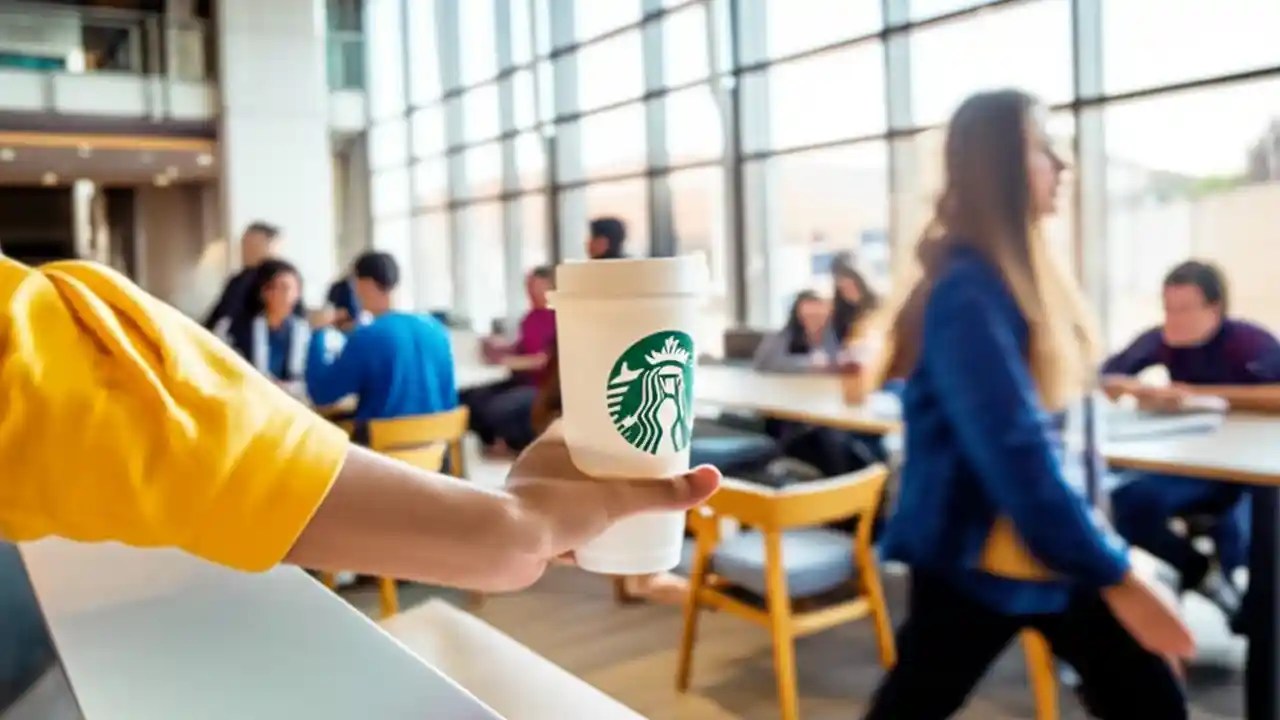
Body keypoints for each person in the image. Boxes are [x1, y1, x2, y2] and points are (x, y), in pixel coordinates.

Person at [0, 249, 720, 603]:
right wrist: (496, 524)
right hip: (432, 458)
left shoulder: (362, 335)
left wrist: (503, 527)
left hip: (371, 454)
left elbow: (56, 387)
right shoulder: (433, 330)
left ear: (364, 288)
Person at [865, 90, 1191, 720]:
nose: (1062, 165)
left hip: (1039, 544)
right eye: (1042, 148)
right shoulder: (968, 291)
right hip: (981, 554)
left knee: (1147, 696)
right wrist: (1118, 573)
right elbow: (1016, 451)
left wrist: (1106, 555)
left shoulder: (1015, 278)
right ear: (1001, 166)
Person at [1102, 260, 1280, 615]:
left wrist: (1197, 394)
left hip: (1246, 467)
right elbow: (1107, 377)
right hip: (1187, 461)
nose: (1174, 319)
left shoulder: (1249, 342)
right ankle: (1203, 576)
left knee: (1255, 525)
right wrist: (1139, 389)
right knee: (1123, 501)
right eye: (1168, 309)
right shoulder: (1161, 340)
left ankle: (1253, 614)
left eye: (1184, 309)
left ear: (1215, 308)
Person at [306, 252, 457, 437]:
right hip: (433, 453)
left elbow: (321, 395)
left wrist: (318, 332)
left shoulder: (368, 335)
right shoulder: (437, 329)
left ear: (364, 284)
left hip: (382, 455)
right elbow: (449, 400)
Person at [754, 291, 868, 476]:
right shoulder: (785, 336)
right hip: (790, 405)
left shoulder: (837, 335)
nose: (814, 315)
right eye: (808, 310)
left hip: (830, 405)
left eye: (819, 309)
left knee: (844, 440)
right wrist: (807, 365)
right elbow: (763, 363)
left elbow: (849, 361)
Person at [466, 266, 557, 455]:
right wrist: (500, 348)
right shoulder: (529, 318)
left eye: (536, 286)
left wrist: (508, 362)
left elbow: (542, 360)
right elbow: (523, 347)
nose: (531, 291)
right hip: (519, 379)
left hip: (541, 387)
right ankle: (490, 444)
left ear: (550, 288)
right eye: (528, 286)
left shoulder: (557, 318)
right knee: (472, 397)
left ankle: (509, 445)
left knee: (497, 408)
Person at [221, 259, 311, 395]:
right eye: (275, 288)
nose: (281, 295)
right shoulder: (240, 329)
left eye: (287, 288)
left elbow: (307, 377)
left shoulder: (304, 331)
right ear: (264, 293)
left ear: (297, 293)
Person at [203, 222, 294, 332]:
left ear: (270, 246)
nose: (244, 250)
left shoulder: (284, 280)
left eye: (252, 245)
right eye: (243, 244)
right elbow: (217, 318)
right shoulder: (236, 281)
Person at [752, 291, 840, 373]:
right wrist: (807, 364)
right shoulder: (781, 338)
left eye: (819, 316)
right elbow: (764, 364)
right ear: (798, 316)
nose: (815, 321)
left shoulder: (834, 337)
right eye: (809, 316)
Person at [830, 252, 881, 345]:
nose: (844, 284)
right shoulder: (839, 318)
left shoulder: (882, 309)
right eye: (840, 279)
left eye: (849, 277)